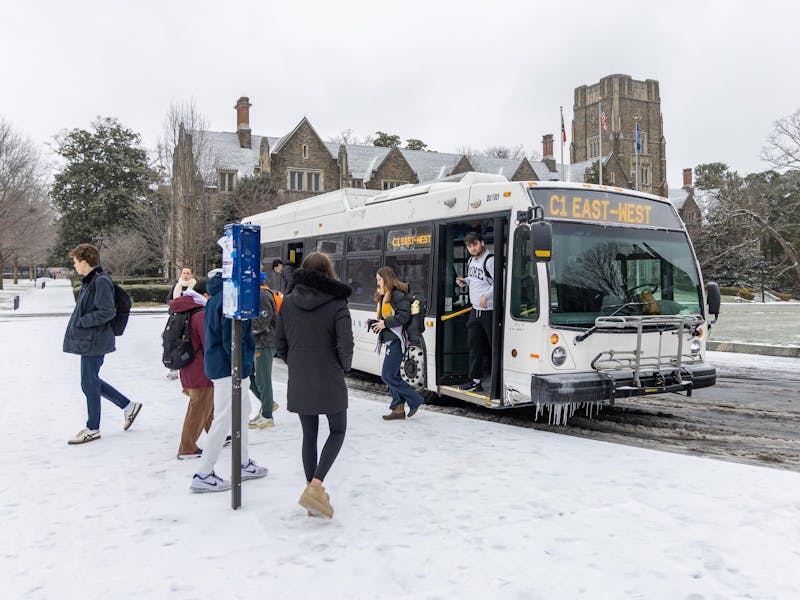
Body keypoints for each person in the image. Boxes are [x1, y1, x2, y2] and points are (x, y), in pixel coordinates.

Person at [275, 252, 353, 519]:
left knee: (309, 434)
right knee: (338, 429)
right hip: (329, 374)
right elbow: (345, 344)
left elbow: (280, 344)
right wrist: (343, 366)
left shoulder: (287, 303)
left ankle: (313, 492)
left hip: (300, 375)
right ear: (328, 272)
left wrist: (296, 363)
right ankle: (316, 485)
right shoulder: (337, 303)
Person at [189, 268, 268, 492]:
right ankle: (204, 472)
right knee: (224, 418)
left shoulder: (215, 299)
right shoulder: (228, 300)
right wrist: (242, 367)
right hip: (228, 369)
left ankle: (242, 462)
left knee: (242, 412)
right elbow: (231, 339)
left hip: (221, 366)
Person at [63, 243, 142, 445]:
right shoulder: (90, 281)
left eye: (75, 262)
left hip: (96, 339)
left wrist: (82, 322)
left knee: (89, 382)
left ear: (85, 261)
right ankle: (128, 406)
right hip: (90, 339)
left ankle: (93, 428)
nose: (74, 266)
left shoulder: (101, 281)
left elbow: (107, 311)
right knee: (89, 381)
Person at [371, 266, 424, 421]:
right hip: (391, 339)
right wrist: (376, 323)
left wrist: (385, 324)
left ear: (387, 279)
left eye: (380, 279)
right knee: (392, 374)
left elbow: (404, 316)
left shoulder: (396, 295)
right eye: (377, 280)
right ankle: (398, 409)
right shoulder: (385, 295)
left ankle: (415, 399)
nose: (378, 282)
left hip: (397, 340)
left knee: (388, 375)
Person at [171, 288, 214, 459]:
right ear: (203, 295)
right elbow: (208, 343)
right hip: (201, 369)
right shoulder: (199, 315)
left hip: (188, 367)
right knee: (198, 407)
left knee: (206, 404)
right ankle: (187, 447)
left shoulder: (183, 312)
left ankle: (217, 433)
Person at [455, 231, 494, 393]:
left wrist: (487, 295)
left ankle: (498, 380)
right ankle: (475, 381)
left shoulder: (491, 261)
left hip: (490, 311)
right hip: (475, 311)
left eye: (475, 244)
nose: (472, 248)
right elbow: (476, 280)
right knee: (474, 347)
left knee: (494, 346)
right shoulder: (471, 260)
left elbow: (502, 281)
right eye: (469, 246)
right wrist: (465, 281)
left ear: (482, 243)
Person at [248, 278, 278, 429]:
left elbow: (262, 322)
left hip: (264, 342)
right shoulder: (257, 293)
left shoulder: (262, 294)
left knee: (262, 380)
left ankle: (267, 415)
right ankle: (268, 404)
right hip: (258, 342)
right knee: (249, 375)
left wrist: (245, 326)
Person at [166, 267, 199, 380]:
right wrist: (176, 304)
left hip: (189, 317)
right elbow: (168, 299)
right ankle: (173, 367)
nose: (185, 275)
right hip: (177, 318)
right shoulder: (176, 286)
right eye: (184, 273)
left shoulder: (195, 286)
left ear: (192, 275)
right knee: (173, 342)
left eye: (188, 273)